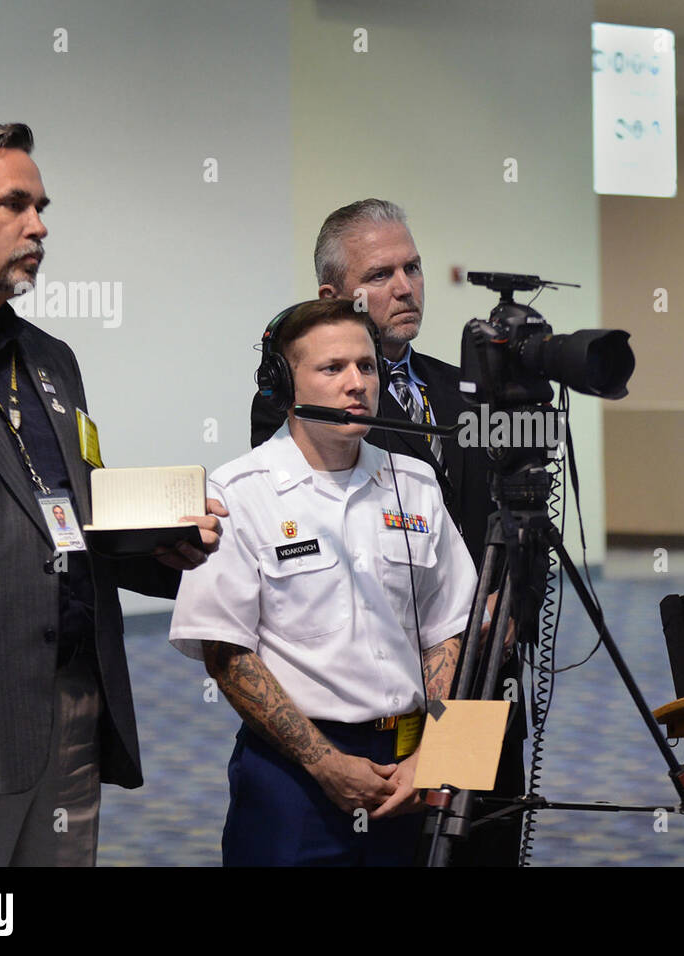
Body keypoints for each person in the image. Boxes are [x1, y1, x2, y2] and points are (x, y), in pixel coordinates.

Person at [0, 121, 223, 866]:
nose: (39, 226)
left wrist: (162, 547)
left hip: (70, 707)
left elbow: (65, 516)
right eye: (14, 205)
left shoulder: (52, 359)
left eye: (42, 206)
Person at [249, 199, 526, 865]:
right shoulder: (300, 403)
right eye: (379, 274)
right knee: (417, 838)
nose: (404, 287)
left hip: (481, 669)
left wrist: (510, 603)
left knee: (481, 837)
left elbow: (511, 515)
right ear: (333, 295)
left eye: (413, 267)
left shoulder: (462, 387)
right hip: (386, 691)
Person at [171, 298, 477, 865]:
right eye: (332, 369)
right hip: (295, 770)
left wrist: (434, 752)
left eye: (366, 366)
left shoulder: (414, 482)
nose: (356, 383)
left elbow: (451, 628)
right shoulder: (238, 491)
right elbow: (226, 653)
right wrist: (324, 762)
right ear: (286, 385)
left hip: (408, 759)